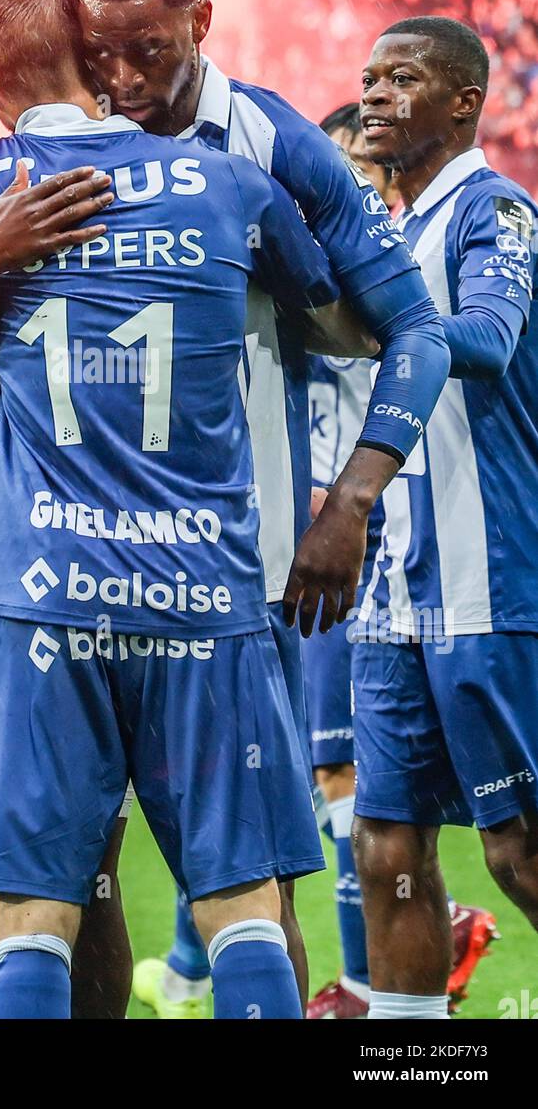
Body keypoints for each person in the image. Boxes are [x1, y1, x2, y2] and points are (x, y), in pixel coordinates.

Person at [0, 0, 444, 1019]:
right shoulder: (233, 188)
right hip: (205, 596)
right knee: (245, 904)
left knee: (34, 915)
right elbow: (333, 313)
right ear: (83, 43)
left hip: (48, 600)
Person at [65, 0, 451, 1016]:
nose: (125, 78)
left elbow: (414, 330)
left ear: (203, 20)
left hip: (239, 573)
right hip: (73, 574)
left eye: (151, 50)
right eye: (103, 53)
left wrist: (353, 501)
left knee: (248, 881)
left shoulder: (277, 145)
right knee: (69, 879)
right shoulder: (59, 134)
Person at [353, 16, 538, 1020]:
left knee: (517, 847)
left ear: (461, 101)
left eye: (402, 78)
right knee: (385, 843)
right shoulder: (390, 231)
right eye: (369, 77)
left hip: (489, 571)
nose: (375, 93)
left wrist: (380, 324)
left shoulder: (492, 208)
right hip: (394, 583)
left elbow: (489, 338)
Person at [303, 104, 497, 1019]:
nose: (344, 183)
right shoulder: (330, 256)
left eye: (355, 169)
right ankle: (394, 1014)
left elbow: (483, 343)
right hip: (352, 568)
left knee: (508, 844)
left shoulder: (447, 237)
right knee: (369, 817)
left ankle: (361, 982)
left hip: (419, 557)